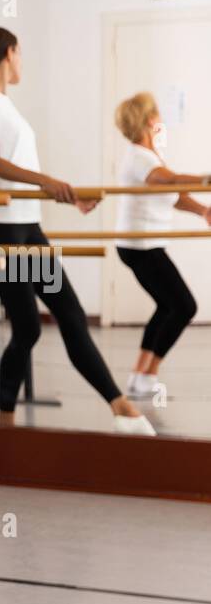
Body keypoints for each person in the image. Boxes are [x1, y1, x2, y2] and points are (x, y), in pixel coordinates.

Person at [0, 26, 154, 433]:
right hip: (1, 233)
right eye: (20, 54)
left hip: (25, 227)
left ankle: (117, 405)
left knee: (67, 314)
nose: (21, 62)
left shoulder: (1, 103)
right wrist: (47, 181)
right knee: (29, 327)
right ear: (9, 53)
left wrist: (64, 194)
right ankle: (6, 420)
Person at [112, 91, 207, 397]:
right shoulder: (141, 157)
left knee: (167, 306)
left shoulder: (149, 156)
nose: (161, 120)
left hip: (144, 245)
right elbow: (166, 181)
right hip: (141, 247)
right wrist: (206, 180)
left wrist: (203, 210)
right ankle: (148, 376)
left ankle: (140, 377)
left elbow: (174, 195)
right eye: (157, 114)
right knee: (184, 306)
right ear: (150, 120)